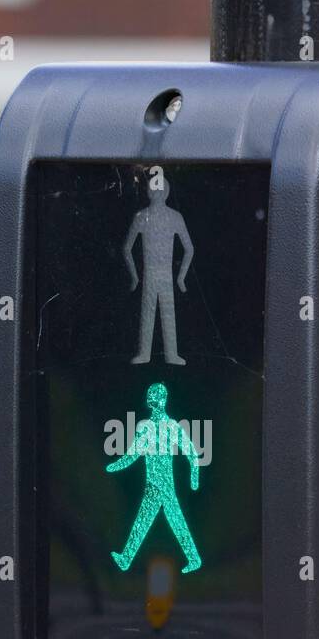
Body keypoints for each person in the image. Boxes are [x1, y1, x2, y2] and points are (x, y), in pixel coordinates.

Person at [106, 383, 201, 573]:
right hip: (152, 487)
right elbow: (132, 453)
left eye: (155, 398)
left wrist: (194, 476)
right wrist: (116, 466)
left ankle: (194, 558)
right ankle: (126, 558)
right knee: (144, 523)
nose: (153, 402)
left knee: (173, 523)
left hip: (165, 486)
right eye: (151, 398)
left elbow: (191, 452)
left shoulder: (171, 427)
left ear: (163, 400)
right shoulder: (146, 427)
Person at [123, 178, 194, 365]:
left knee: (162, 314)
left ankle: (168, 354)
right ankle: (150, 353)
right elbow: (126, 248)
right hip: (156, 276)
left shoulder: (166, 217)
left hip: (159, 276)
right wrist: (135, 277)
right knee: (155, 314)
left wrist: (181, 278)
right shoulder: (144, 217)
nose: (155, 193)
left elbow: (189, 249)